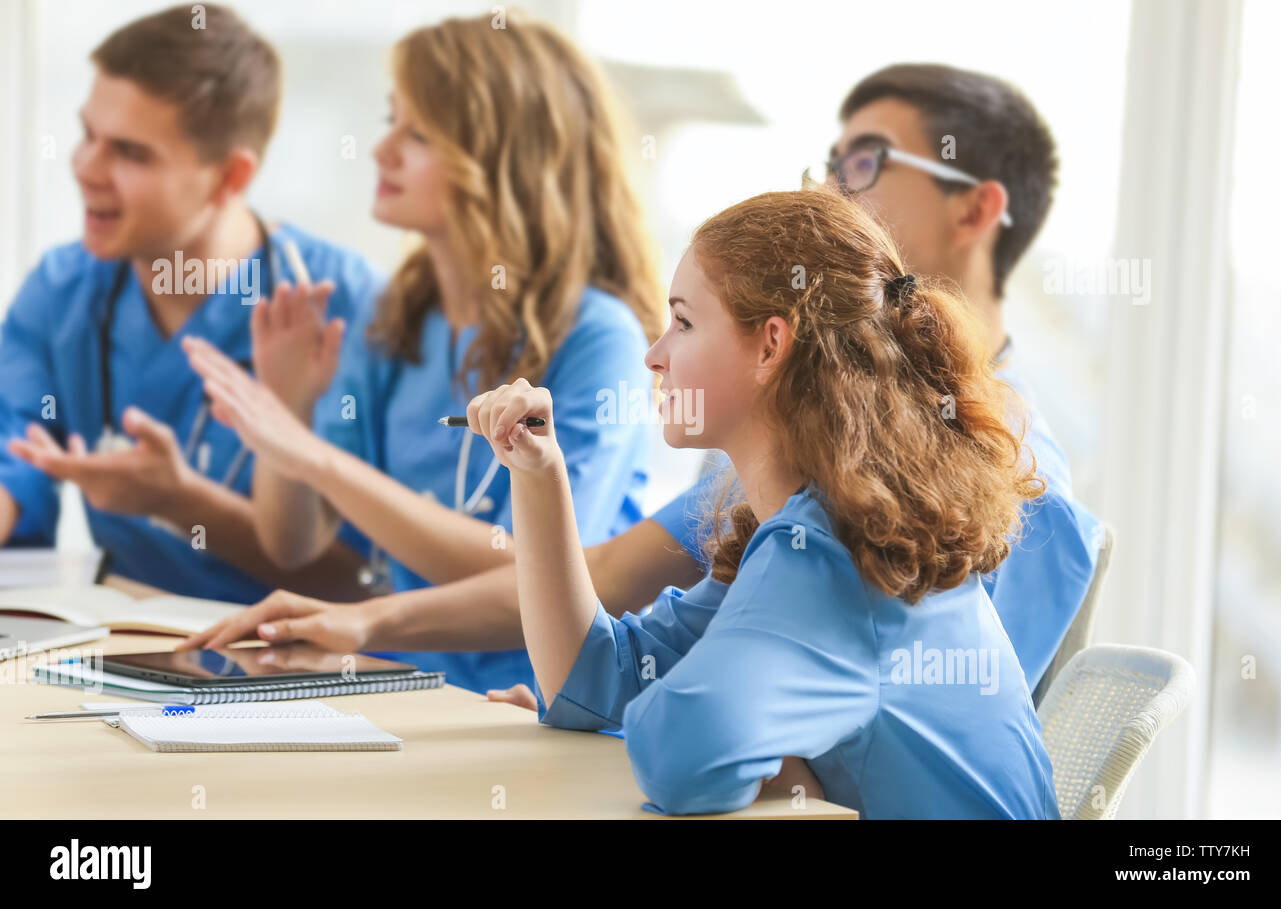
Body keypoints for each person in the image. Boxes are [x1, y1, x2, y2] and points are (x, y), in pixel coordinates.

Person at [184, 63, 1100, 702]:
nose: (828, 185)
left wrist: (636, 721)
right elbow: (608, 584)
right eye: (827, 160)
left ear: (978, 206)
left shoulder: (1022, 487)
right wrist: (364, 623)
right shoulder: (789, 441)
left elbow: (922, 744)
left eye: (862, 161)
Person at [462, 189, 1060, 817]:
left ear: (771, 347)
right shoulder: (812, 530)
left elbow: (679, 760)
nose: (654, 355)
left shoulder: (829, 550)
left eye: (685, 323)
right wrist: (537, 474)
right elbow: (592, 681)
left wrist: (770, 758)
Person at [181, 13, 662, 694]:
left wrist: (315, 455)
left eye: (418, 134)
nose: (381, 151)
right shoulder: (394, 321)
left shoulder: (599, 338)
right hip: (419, 698)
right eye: (390, 122)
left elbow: (541, 568)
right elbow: (294, 543)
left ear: (503, 159)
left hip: (552, 707)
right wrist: (287, 409)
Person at [0, 4, 381, 603]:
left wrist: (179, 501)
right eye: (87, 135)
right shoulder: (60, 292)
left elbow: (369, 581)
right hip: (132, 651)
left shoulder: (350, 312)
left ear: (230, 177)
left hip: (316, 670)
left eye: (129, 152)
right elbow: (15, 459)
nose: (84, 168)